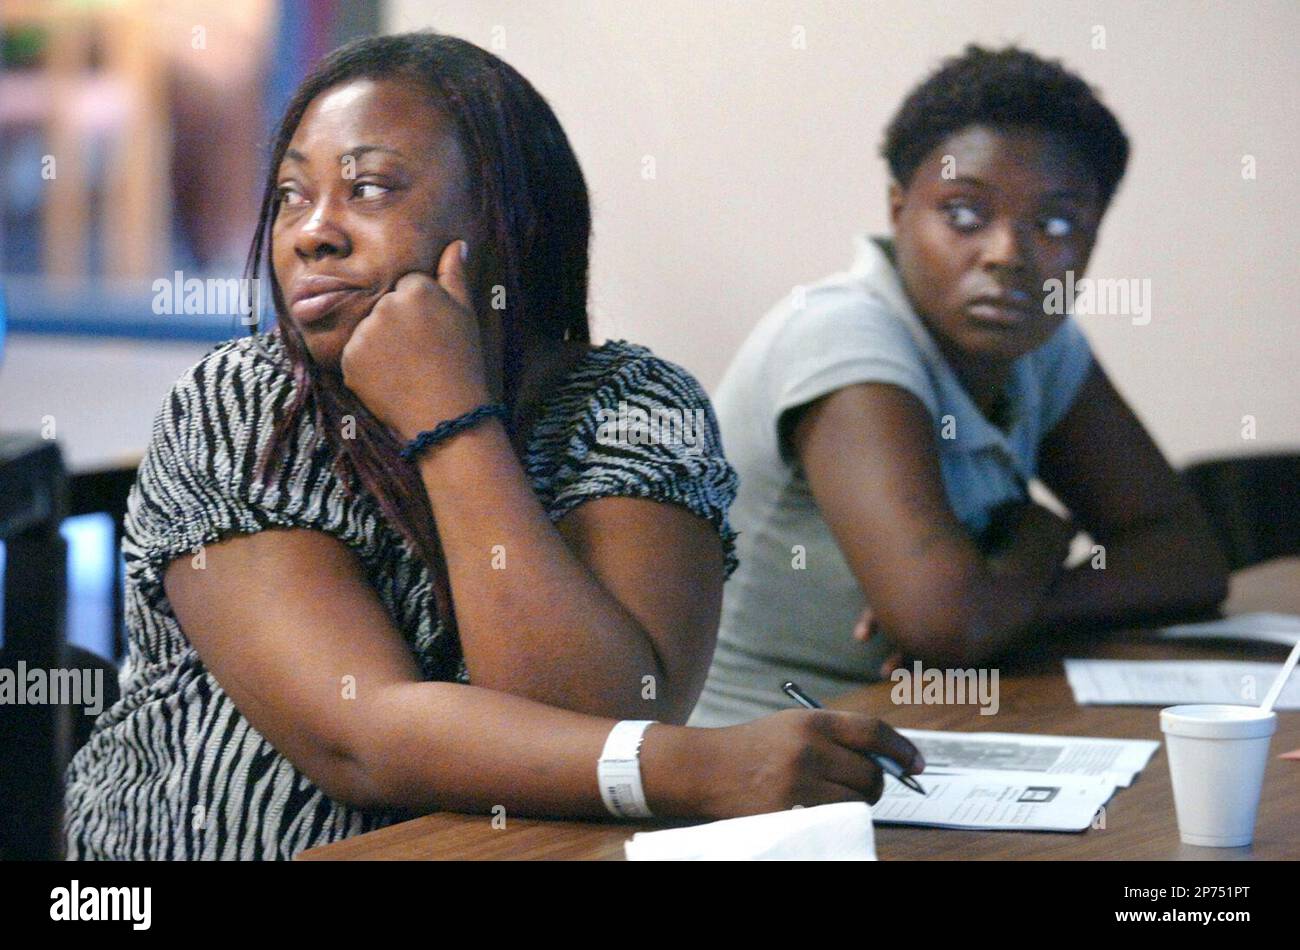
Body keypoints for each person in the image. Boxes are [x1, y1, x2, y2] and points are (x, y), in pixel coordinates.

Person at [63, 32, 922, 860]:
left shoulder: (635, 406)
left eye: (367, 188)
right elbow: (359, 740)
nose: (310, 232)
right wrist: (706, 766)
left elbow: (599, 715)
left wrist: (450, 415)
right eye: (292, 194)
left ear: (512, 219)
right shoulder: (246, 403)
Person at [690, 45, 1230, 727]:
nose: (1007, 254)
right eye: (964, 213)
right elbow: (944, 625)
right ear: (898, 210)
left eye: (1056, 224)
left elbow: (1187, 558)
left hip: (928, 730)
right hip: (756, 757)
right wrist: (1035, 535)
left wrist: (1002, 602)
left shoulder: (1042, 344)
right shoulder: (841, 334)